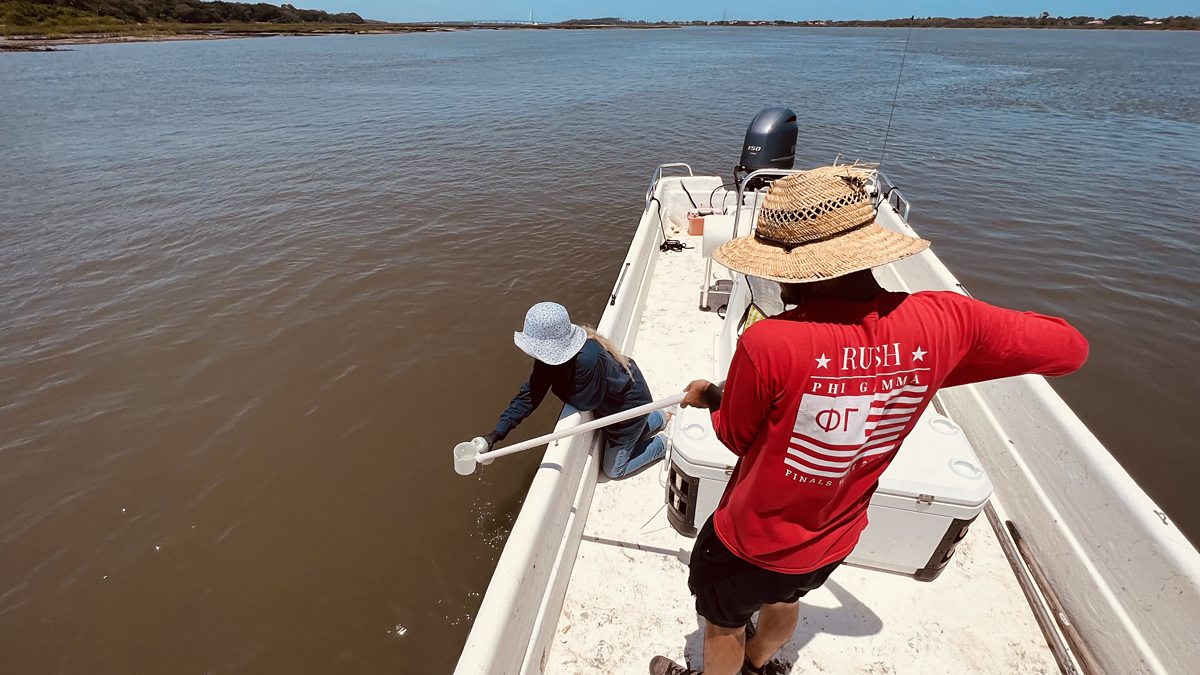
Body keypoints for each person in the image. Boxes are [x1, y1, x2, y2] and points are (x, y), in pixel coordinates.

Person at [649, 165, 1088, 675]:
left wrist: (713, 397)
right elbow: (1070, 350)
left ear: (796, 269)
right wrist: (924, 365)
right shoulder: (945, 320)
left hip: (751, 541)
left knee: (722, 624)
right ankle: (759, 664)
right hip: (834, 535)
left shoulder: (767, 343)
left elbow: (736, 437)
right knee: (788, 599)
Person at [482, 301, 668, 479]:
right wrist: (497, 433)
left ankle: (663, 444)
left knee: (613, 470)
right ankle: (660, 417)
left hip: (629, 408)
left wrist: (553, 384)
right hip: (621, 403)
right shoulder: (547, 360)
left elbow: (586, 402)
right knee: (634, 429)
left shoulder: (588, 359)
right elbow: (530, 395)